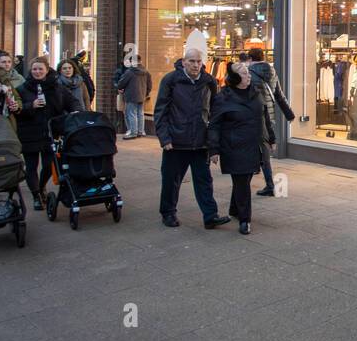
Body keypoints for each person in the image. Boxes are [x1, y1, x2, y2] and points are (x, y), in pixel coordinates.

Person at [153, 49, 228, 229]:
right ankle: (168, 213)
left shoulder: (208, 81)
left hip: (200, 142)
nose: (196, 65)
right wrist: (165, 138)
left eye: (199, 62)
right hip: (176, 142)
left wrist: (213, 144)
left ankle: (210, 216)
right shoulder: (171, 80)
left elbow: (214, 112)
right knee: (171, 180)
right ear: (184, 62)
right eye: (192, 61)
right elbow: (160, 111)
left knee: (204, 180)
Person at [207, 61, 273, 235]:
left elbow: (264, 116)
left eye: (248, 72)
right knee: (242, 182)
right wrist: (213, 149)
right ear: (235, 78)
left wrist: (271, 138)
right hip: (234, 147)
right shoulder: (223, 98)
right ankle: (245, 219)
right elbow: (214, 125)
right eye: (244, 73)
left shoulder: (256, 92)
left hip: (254, 145)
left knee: (244, 180)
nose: (248, 75)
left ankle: (235, 209)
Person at [15, 57, 71, 210]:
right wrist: (30, 106)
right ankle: (36, 196)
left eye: (40, 69)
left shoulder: (56, 87)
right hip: (29, 132)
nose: (37, 72)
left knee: (48, 165)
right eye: (34, 69)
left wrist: (77, 112)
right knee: (31, 166)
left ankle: (41, 188)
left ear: (47, 70)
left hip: (50, 133)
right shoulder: (22, 89)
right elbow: (17, 110)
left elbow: (70, 101)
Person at [245, 47, 295, 195]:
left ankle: (252, 185)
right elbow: (279, 95)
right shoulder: (272, 72)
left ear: (250, 59)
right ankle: (269, 184)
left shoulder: (249, 74)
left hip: (253, 117)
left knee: (251, 151)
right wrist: (289, 114)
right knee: (264, 150)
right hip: (269, 117)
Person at [115, 55, 153, 140]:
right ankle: (141, 131)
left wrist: (119, 87)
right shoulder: (146, 72)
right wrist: (146, 93)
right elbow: (150, 84)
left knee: (131, 113)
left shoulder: (130, 72)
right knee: (140, 113)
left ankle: (133, 132)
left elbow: (121, 83)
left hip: (131, 95)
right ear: (140, 61)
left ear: (132, 62)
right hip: (142, 95)